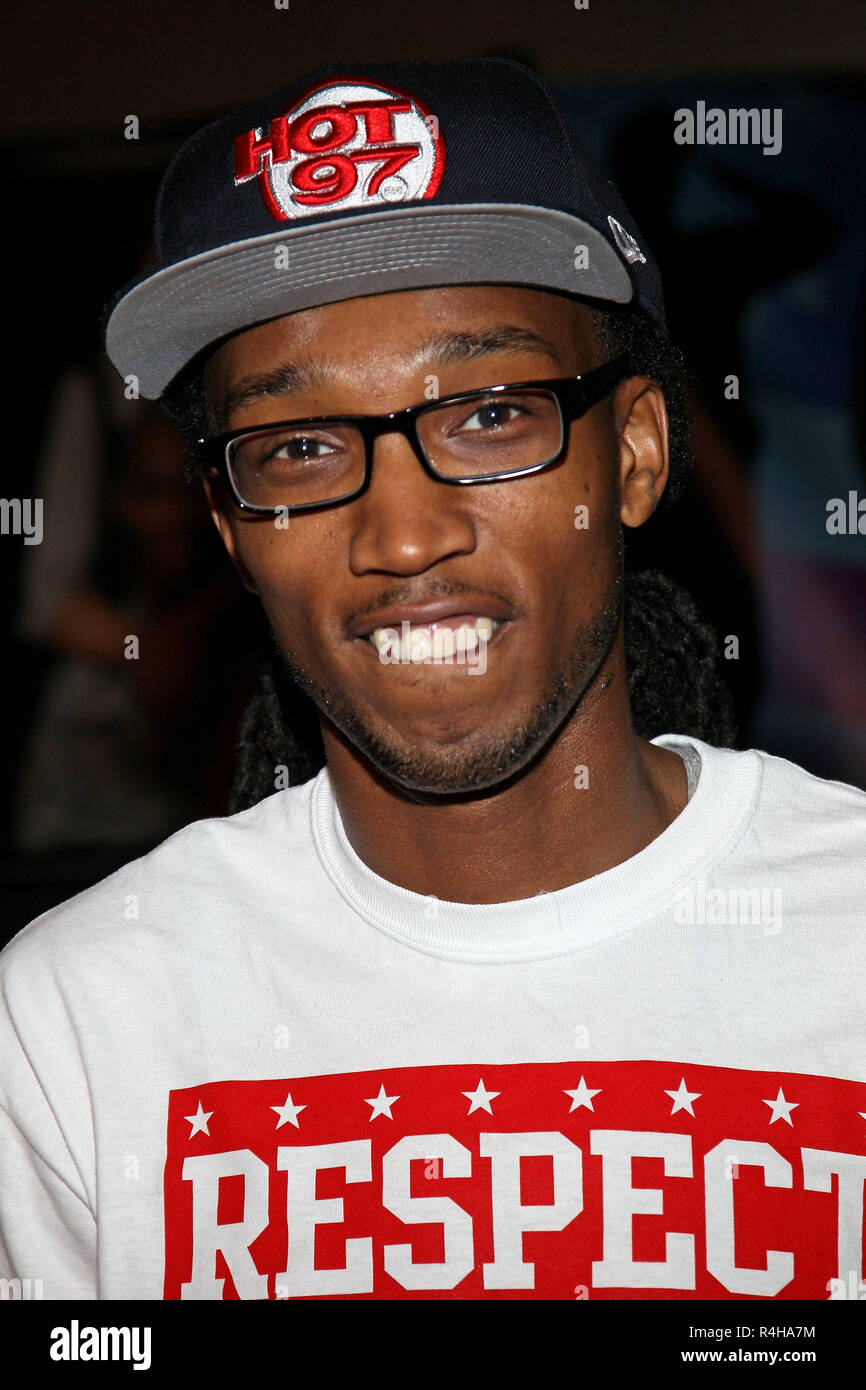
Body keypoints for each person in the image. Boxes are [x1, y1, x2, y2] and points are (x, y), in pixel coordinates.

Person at [1, 57, 863, 1303]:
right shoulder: (88, 1016)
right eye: (297, 447)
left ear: (631, 452)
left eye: (489, 414)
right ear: (232, 526)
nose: (403, 537)